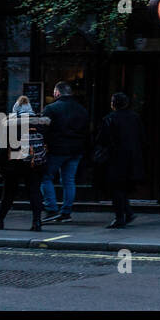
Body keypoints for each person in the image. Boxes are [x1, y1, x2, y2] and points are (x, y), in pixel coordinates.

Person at [0, 97, 50, 232]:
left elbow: (3, 149)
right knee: (34, 192)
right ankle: (37, 222)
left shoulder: (11, 124)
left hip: (14, 162)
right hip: (35, 162)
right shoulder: (41, 124)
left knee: (8, 193)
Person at [40, 81, 88, 224]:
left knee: (45, 177)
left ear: (57, 93)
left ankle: (51, 209)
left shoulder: (51, 108)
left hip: (56, 149)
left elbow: (43, 130)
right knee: (68, 180)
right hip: (76, 150)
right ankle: (66, 212)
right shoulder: (82, 110)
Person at [97, 92, 145, 229]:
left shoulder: (109, 119)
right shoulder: (135, 118)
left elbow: (102, 140)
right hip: (132, 158)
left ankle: (120, 218)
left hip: (115, 158)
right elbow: (142, 138)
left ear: (113, 104)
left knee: (116, 189)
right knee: (122, 188)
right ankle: (128, 213)